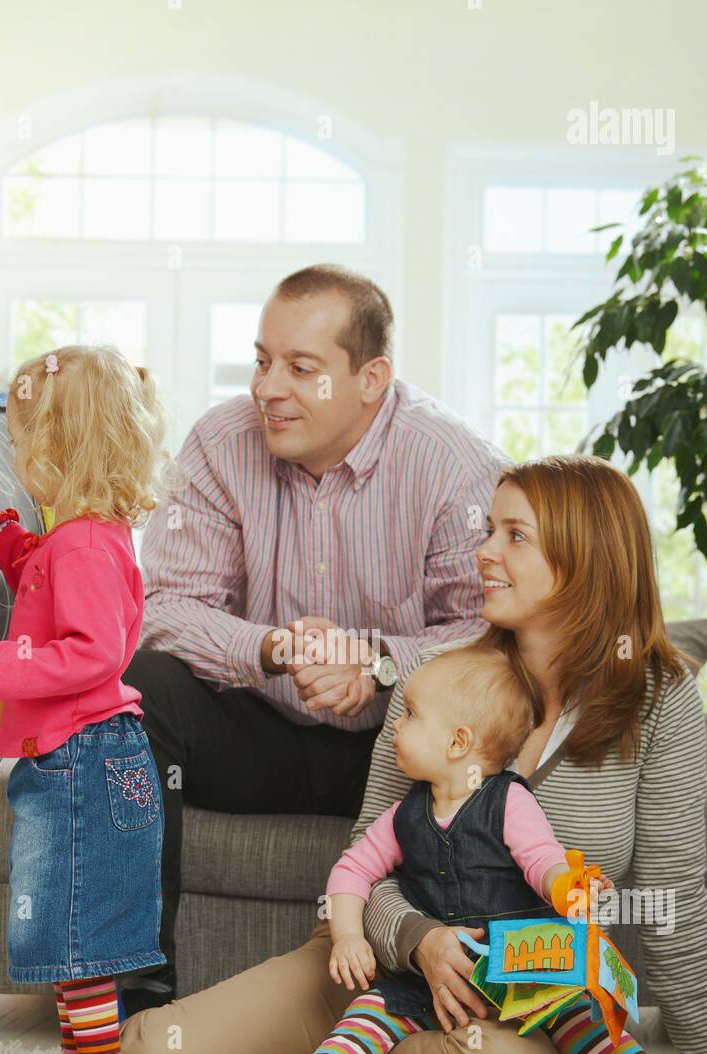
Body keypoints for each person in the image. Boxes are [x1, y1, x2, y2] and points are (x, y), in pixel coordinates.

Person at [120, 455, 707, 1054]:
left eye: (514, 535)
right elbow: (372, 852)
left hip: (532, 995)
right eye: (488, 529)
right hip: (376, 961)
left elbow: (670, 893)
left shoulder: (661, 697)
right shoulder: (434, 675)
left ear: (587, 558)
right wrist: (419, 939)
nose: (483, 552)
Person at [120, 262, 508, 1014]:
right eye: (263, 360)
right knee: (146, 683)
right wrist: (278, 648)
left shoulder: (455, 465)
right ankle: (138, 992)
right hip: (257, 731)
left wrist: (379, 661)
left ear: (372, 379)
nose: (268, 387)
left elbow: (493, 632)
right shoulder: (219, 444)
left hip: (398, 749)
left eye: (302, 368)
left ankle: (450, 998)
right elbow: (164, 605)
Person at [222, 645, 707, 1054]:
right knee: (371, 1009)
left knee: (583, 1016)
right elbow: (353, 871)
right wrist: (348, 935)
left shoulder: (509, 802)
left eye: (410, 714)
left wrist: (568, 889)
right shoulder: (403, 816)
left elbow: (543, 859)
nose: (395, 723)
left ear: (458, 743)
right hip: (436, 981)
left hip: (521, 967)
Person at [0, 344, 169, 1054]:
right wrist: (2, 533)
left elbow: (91, 650)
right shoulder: (80, 539)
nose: (15, 458)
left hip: (83, 759)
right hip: (85, 758)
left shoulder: (83, 545)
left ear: (56, 450)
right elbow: (44, 579)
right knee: (73, 926)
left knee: (79, 926)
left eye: (19, 445)